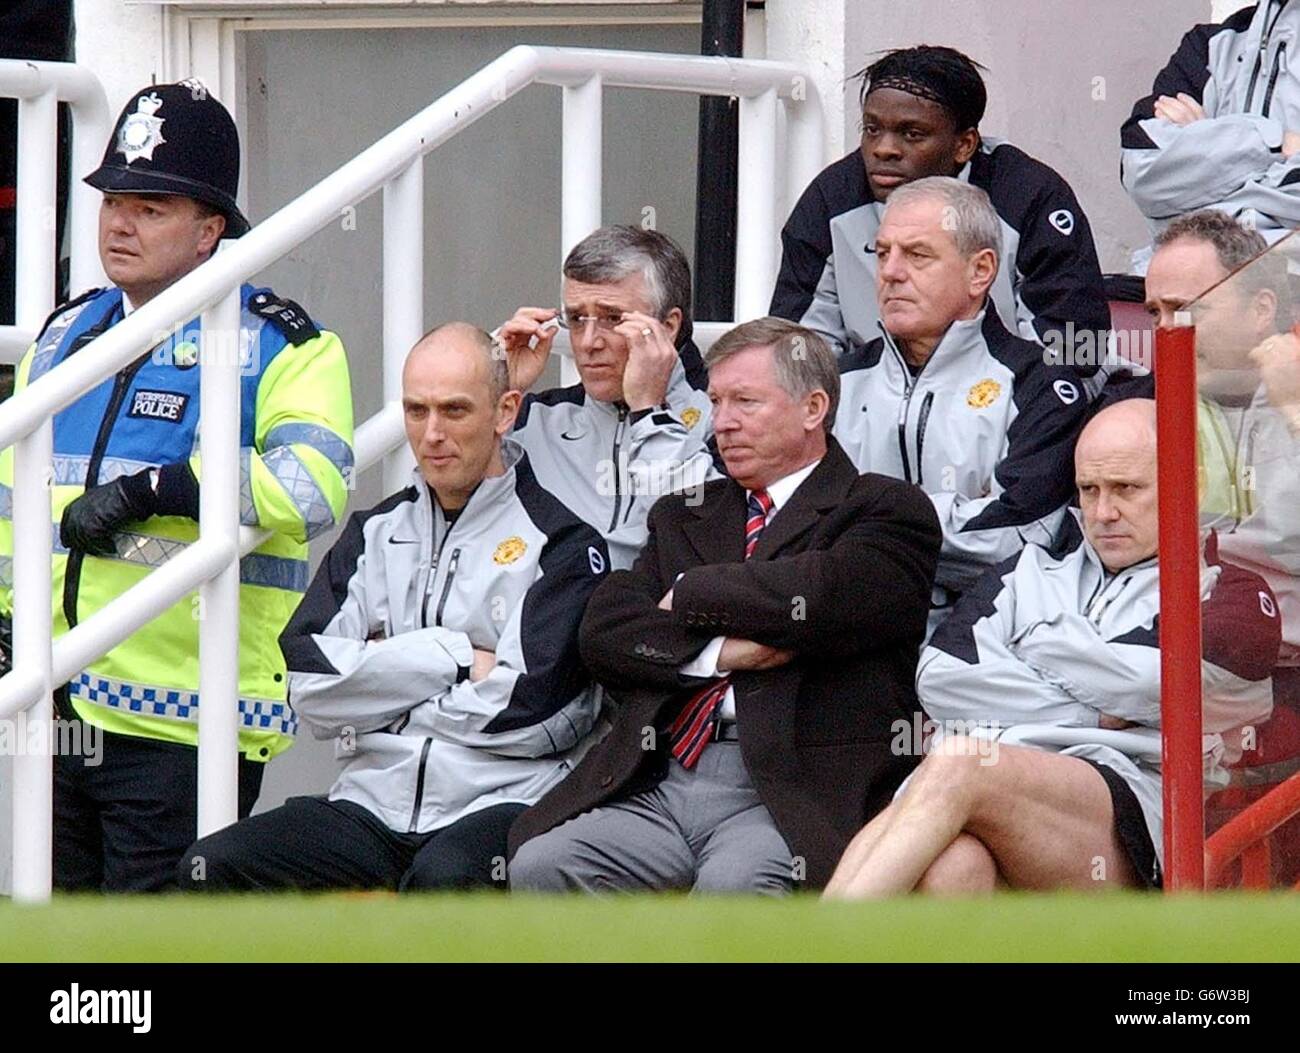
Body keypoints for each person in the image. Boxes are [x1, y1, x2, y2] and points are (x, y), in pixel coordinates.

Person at [0, 82, 354, 891]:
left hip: (189, 720)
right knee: (64, 956)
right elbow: (8, 500)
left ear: (210, 230)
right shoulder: (63, 336)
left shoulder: (280, 344)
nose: (121, 223)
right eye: (113, 200)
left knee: (152, 956)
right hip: (60, 709)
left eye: (152, 207)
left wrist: (166, 486)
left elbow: (313, 486)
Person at [508, 317, 941, 894]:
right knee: (542, 863)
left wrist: (688, 591)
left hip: (789, 791)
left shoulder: (884, 510)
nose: (723, 423)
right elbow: (606, 632)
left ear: (813, 408)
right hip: (660, 776)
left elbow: (816, 594)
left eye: (745, 401)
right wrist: (717, 655)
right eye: (715, 401)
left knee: (737, 889)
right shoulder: (684, 511)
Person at [178, 324, 609, 892]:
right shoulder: (372, 533)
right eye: (416, 410)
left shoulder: (564, 544)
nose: (432, 434)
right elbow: (307, 685)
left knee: (443, 882)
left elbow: (532, 714)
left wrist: (378, 689)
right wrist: (452, 657)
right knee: (210, 868)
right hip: (370, 801)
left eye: (454, 411)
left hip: (501, 802)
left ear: (505, 412)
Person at [825, 400, 1279, 898]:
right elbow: (940, 679)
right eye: (1089, 490)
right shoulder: (1027, 571)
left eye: (1126, 489)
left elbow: (1159, 686)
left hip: (1141, 815)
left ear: (1185, 483)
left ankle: (816, 952)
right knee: (956, 870)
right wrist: (1093, 712)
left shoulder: (1232, 593)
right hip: (994, 795)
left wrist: (1037, 641)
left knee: (962, 760)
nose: (1103, 513)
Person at [833, 177, 1087, 632]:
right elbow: (787, 521)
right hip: (847, 645)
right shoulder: (836, 383)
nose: (890, 272)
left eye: (916, 255)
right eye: (882, 252)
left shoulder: (1041, 384)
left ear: (981, 271)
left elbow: (1018, 540)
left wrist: (864, 525)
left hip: (989, 649)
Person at [771, 44, 1108, 362]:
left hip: (1014, 403)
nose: (883, 149)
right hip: (875, 405)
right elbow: (800, 353)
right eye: (871, 129)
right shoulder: (832, 199)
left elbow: (1073, 350)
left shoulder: (1029, 195)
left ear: (964, 144)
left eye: (912, 134)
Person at [496, 225, 717, 569]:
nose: (587, 342)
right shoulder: (532, 416)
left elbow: (697, 539)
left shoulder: (725, 417)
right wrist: (497, 390)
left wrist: (649, 411)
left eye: (612, 318)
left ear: (668, 327)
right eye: (577, 319)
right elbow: (446, 509)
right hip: (539, 617)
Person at [1121, 1, 1300, 272]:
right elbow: (1144, 171)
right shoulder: (1208, 45)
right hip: (1184, 284)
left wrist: (1206, 153)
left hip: (1287, 283)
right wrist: (1271, 142)